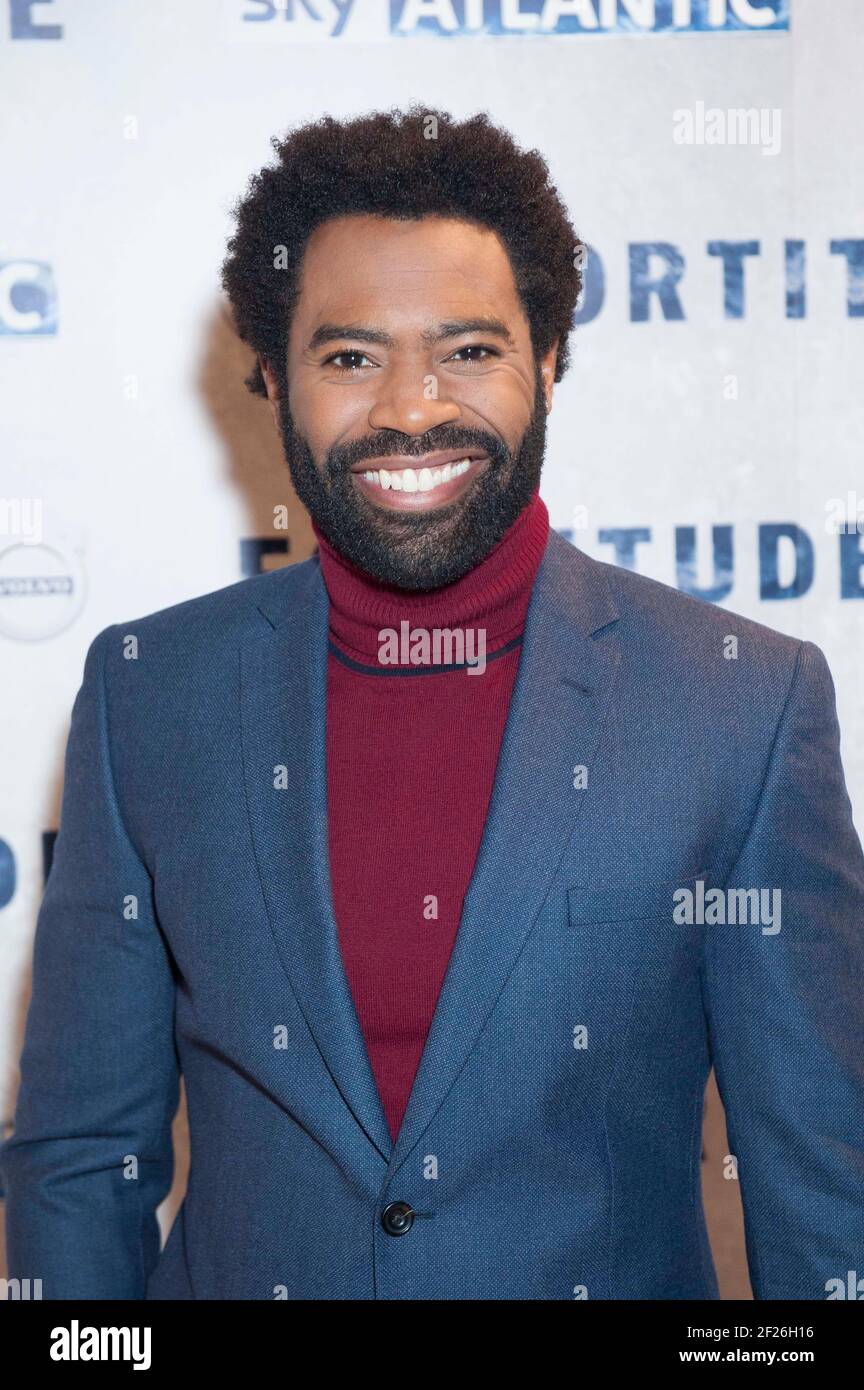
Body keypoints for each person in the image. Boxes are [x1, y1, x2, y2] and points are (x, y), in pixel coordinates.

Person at [2, 106, 863, 1301]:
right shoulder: (149, 698)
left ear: (551, 356)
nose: (411, 407)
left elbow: (823, 1184)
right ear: (269, 375)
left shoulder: (741, 706)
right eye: (349, 356)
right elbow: (81, 1160)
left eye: (469, 349)